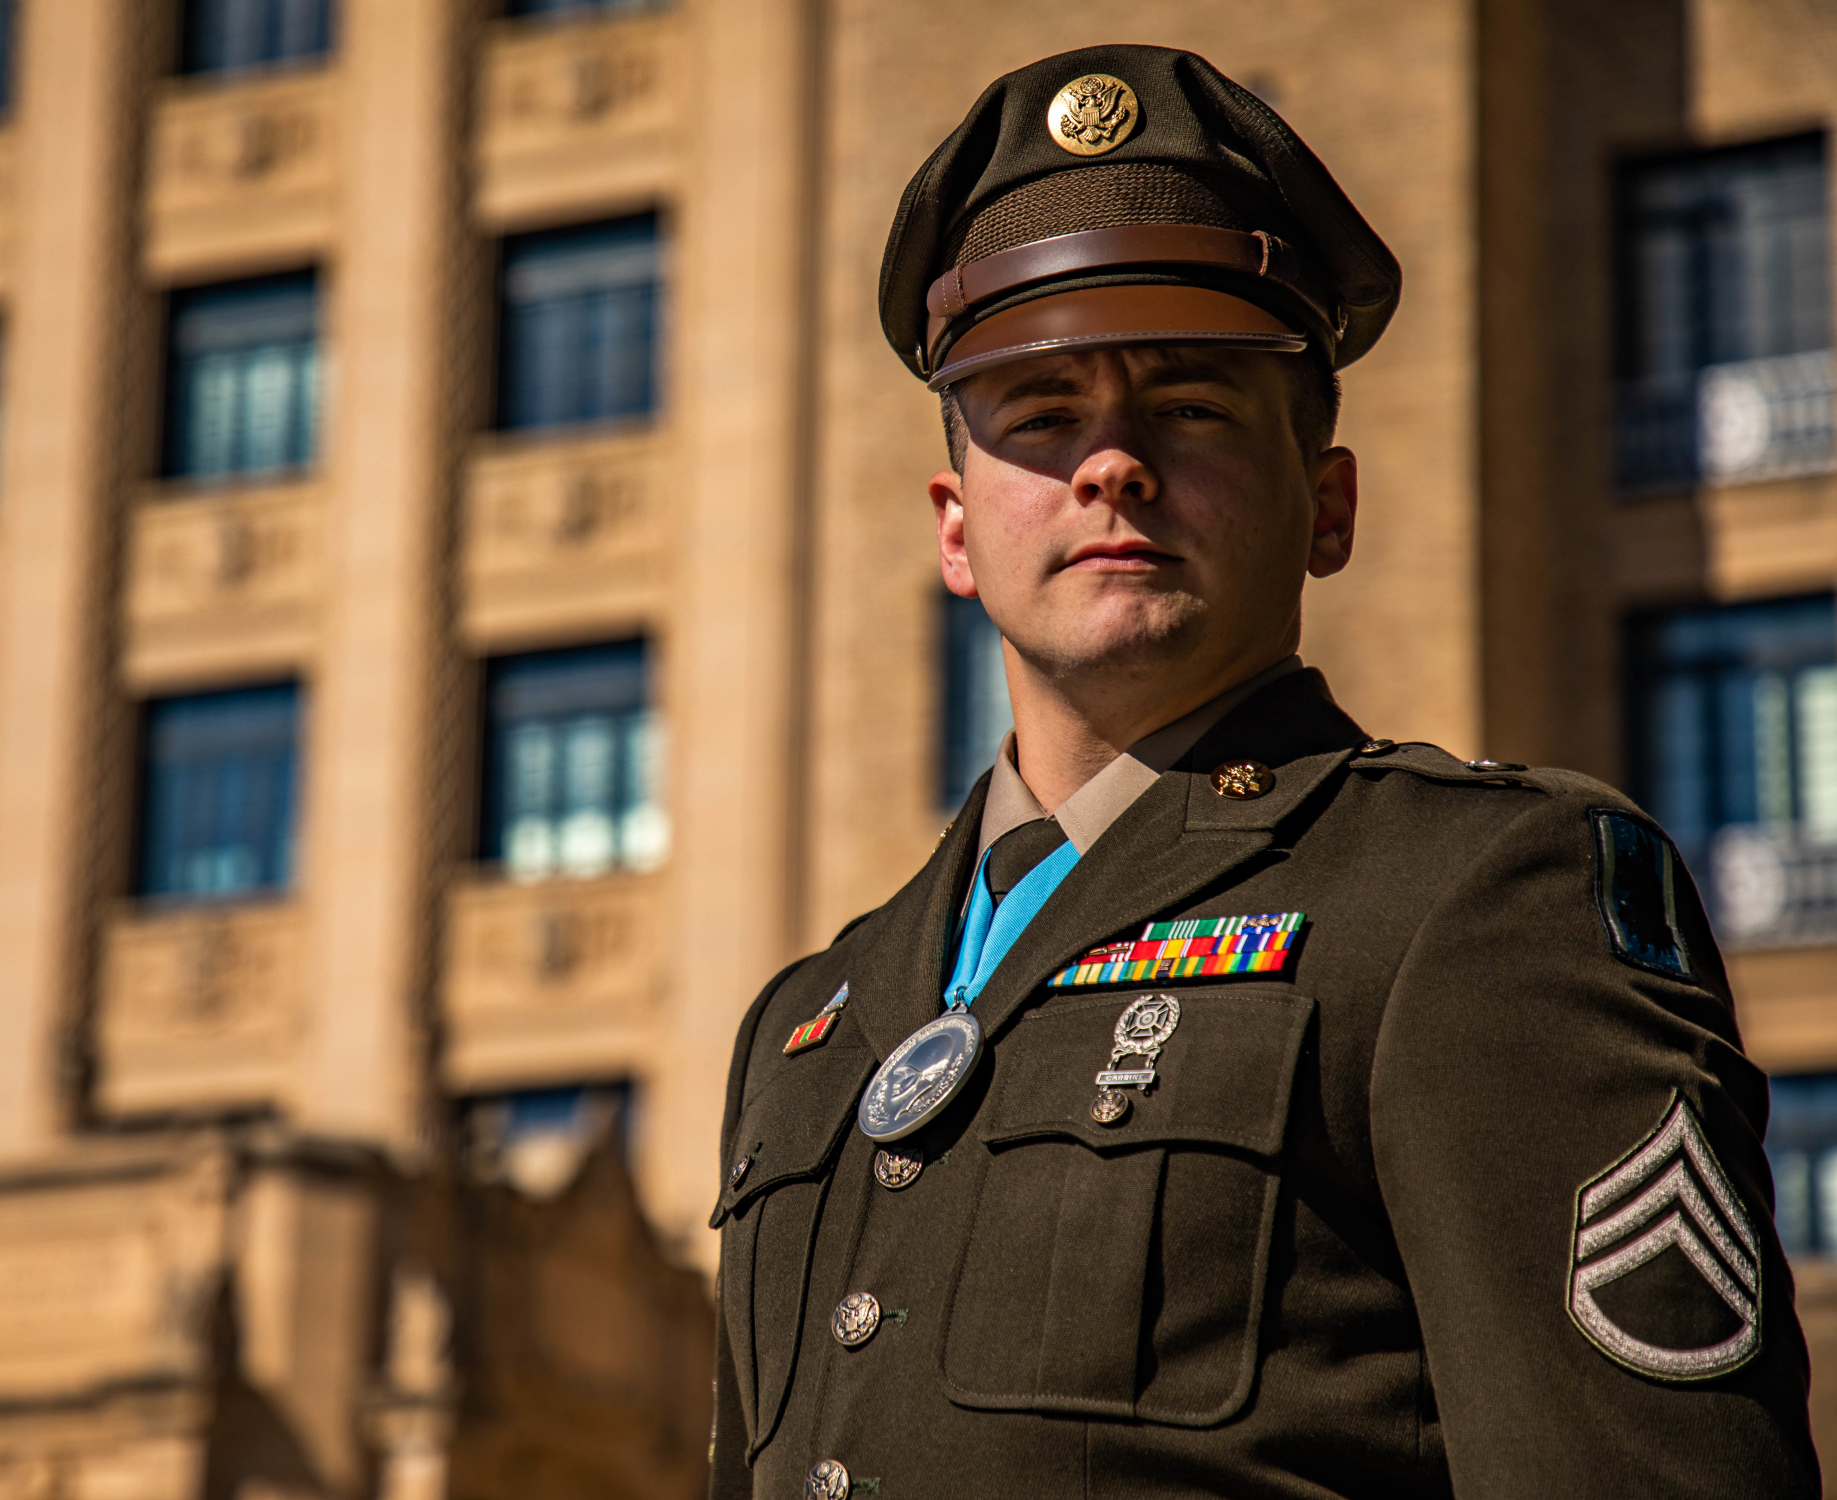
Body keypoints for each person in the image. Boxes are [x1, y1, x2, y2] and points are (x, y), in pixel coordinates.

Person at [708, 43, 1818, 1500]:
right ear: (955, 530)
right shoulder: (813, 1023)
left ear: (1328, 506)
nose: (1112, 463)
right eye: (1040, 417)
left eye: (1191, 408)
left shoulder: (1476, 901)